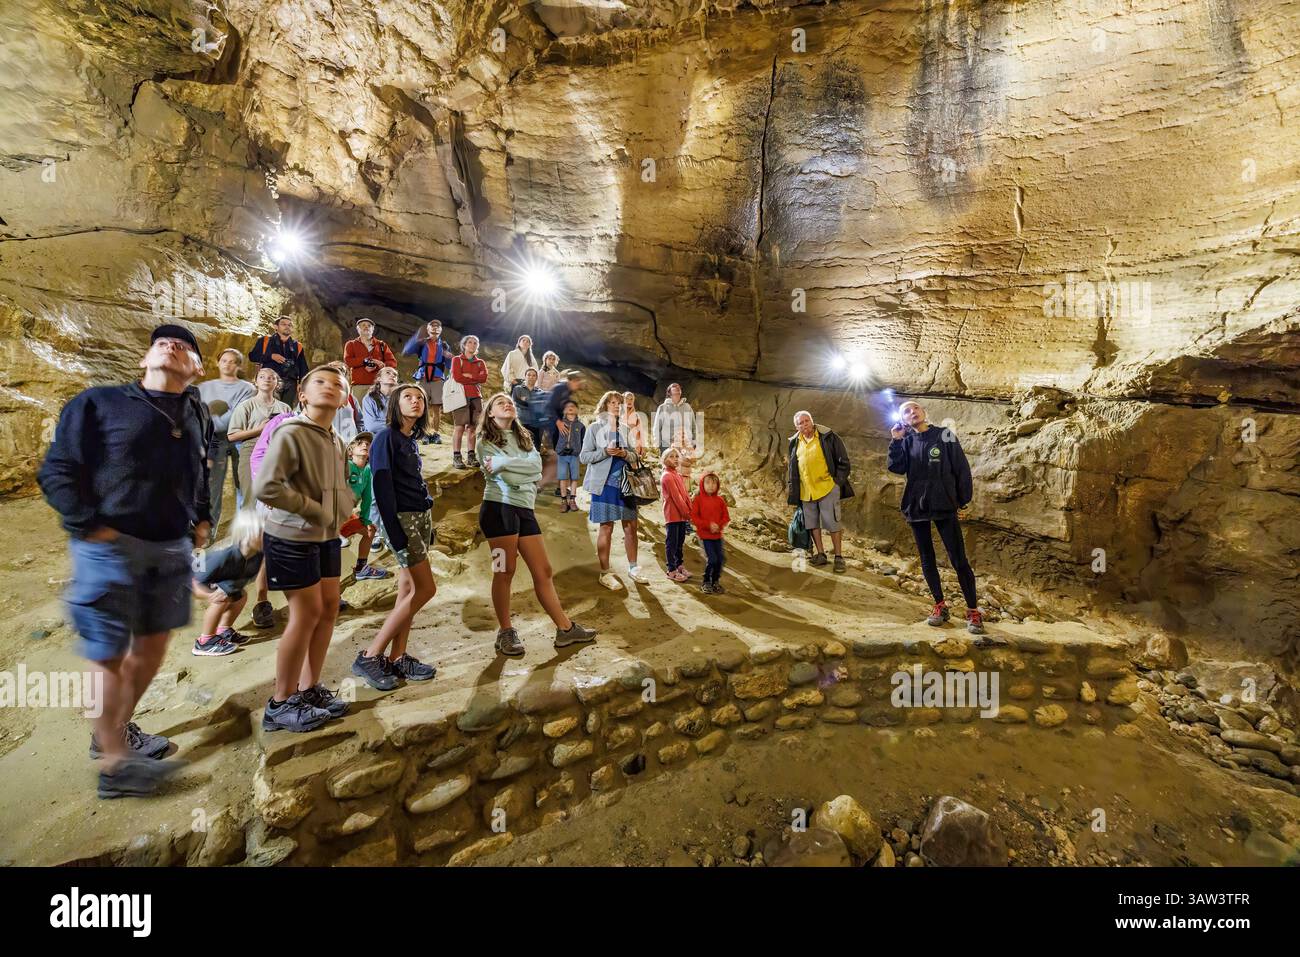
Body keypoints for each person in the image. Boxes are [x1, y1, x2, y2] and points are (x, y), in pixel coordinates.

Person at [37, 323, 212, 798]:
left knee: (152, 650)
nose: (172, 345)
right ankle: (116, 766)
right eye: (162, 342)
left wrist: (202, 519)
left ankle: (113, 731)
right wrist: (87, 524)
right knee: (109, 652)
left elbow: (201, 469)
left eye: (184, 346)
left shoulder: (196, 411)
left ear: (197, 369)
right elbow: (57, 469)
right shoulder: (98, 403)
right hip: (111, 543)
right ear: (143, 360)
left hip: (171, 546)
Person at [253, 364, 355, 732]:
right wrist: (316, 511)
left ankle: (309, 687)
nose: (330, 387)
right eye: (321, 383)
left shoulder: (336, 440)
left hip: (324, 536)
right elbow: (267, 486)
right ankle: (281, 702)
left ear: (345, 398)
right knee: (306, 613)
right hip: (290, 536)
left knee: (328, 608)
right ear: (303, 394)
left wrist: (344, 511)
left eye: (337, 385)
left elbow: (338, 486)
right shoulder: (289, 432)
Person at [477, 392, 597, 657]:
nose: (507, 404)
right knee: (504, 571)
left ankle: (565, 630)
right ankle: (505, 632)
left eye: (509, 402)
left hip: (524, 509)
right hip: (498, 509)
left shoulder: (524, 438)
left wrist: (505, 462)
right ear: (490, 413)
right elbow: (498, 472)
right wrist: (516, 467)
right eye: (500, 403)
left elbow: (534, 471)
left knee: (543, 570)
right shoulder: (484, 441)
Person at [353, 385, 438, 689]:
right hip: (402, 520)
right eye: (408, 397)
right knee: (426, 589)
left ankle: (398, 657)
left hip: (418, 516)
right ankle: (371, 655)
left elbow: (412, 481)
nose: (416, 401)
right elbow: (382, 485)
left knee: (408, 590)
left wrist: (428, 515)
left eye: (420, 398)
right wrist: (394, 529)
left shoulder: (409, 439)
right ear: (394, 403)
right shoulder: (386, 437)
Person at [887, 401, 984, 635]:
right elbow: (896, 467)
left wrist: (963, 500)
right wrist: (896, 441)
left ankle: (973, 610)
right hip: (917, 505)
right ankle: (940, 605)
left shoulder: (945, 434)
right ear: (904, 419)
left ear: (924, 412)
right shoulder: (907, 441)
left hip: (943, 504)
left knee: (958, 559)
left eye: (915, 408)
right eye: (906, 412)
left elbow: (961, 468)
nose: (912, 412)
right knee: (927, 559)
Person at [580, 390, 646, 589]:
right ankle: (604, 572)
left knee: (631, 527)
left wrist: (625, 453)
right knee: (606, 528)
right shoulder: (594, 428)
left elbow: (636, 457)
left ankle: (633, 568)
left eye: (619, 403)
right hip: (604, 486)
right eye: (612, 403)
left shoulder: (625, 429)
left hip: (625, 486)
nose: (617, 406)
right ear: (604, 406)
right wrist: (605, 452)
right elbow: (584, 457)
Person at [787, 410, 854, 573]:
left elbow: (843, 461)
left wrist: (836, 482)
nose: (804, 425)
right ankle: (821, 554)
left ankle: (838, 557)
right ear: (796, 427)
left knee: (833, 523)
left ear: (812, 421)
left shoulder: (828, 436)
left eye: (806, 421)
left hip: (827, 487)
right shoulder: (795, 442)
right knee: (812, 524)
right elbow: (792, 467)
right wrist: (793, 489)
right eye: (800, 423)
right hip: (806, 490)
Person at [192, 510, 264, 656]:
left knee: (241, 595)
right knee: (222, 596)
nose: (265, 536)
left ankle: (223, 630)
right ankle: (205, 641)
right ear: (247, 535)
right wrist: (209, 595)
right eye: (261, 532)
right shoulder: (224, 556)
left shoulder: (257, 556)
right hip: (194, 579)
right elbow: (193, 581)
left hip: (216, 581)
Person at [198, 349, 254, 532]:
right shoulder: (204, 388)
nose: (228, 364)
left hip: (240, 438)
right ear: (218, 363)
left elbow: (237, 416)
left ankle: (244, 529)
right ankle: (209, 530)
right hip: (214, 441)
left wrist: (213, 414)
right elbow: (198, 414)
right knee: (212, 485)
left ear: (238, 365)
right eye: (224, 360)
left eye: (232, 361)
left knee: (244, 484)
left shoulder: (248, 389)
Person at [227, 367, 289, 518]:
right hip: (251, 450)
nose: (267, 379)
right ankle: (246, 539)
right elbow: (232, 435)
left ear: (277, 382)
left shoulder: (284, 407)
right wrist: (261, 429)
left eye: (272, 377)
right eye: (262, 377)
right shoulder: (246, 406)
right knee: (251, 497)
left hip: (278, 452)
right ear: (255, 382)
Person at [341, 432, 389, 581]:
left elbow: (367, 498)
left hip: (346, 517)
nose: (365, 445)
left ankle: (362, 568)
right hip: (329, 519)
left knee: (370, 530)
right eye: (360, 443)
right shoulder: (346, 466)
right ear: (350, 450)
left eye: (368, 444)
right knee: (329, 548)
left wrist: (365, 520)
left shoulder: (367, 471)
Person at [403, 318, 452, 445]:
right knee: (422, 407)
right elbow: (406, 351)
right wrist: (416, 337)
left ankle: (435, 434)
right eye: (432, 326)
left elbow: (449, 364)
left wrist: (449, 357)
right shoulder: (422, 343)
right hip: (423, 376)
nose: (435, 328)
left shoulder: (444, 345)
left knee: (436, 409)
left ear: (441, 330)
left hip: (437, 378)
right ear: (428, 329)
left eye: (438, 326)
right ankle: (423, 433)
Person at [248, 316, 309, 405]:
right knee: (268, 408)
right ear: (276, 327)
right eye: (283, 324)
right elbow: (253, 356)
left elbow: (303, 367)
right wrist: (271, 356)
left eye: (289, 325)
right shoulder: (265, 340)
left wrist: (302, 385)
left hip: (290, 384)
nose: (287, 326)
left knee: (286, 412)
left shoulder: (297, 346)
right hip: (269, 381)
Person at [448, 334, 488, 469]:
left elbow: (484, 379)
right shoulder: (456, 360)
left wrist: (470, 376)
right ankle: (456, 456)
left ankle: (471, 456)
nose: (473, 345)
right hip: (460, 396)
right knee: (459, 427)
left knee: (472, 427)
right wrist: (474, 378)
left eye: (475, 343)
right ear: (464, 345)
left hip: (476, 397)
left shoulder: (480, 362)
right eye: (470, 342)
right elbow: (458, 377)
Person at [691, 471, 730, 593]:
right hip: (705, 535)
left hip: (717, 536)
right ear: (702, 484)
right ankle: (706, 581)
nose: (711, 485)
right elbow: (694, 517)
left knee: (720, 559)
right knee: (712, 559)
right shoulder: (698, 500)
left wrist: (719, 525)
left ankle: (715, 581)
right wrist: (708, 525)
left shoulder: (720, 500)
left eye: (714, 483)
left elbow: (726, 516)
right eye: (708, 482)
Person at [343, 317, 397, 401]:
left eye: (369, 325)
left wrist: (383, 365)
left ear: (373, 329)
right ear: (358, 329)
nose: (366, 327)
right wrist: (364, 361)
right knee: (359, 412)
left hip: (378, 386)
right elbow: (348, 361)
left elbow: (393, 362)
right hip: (359, 387)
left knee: (379, 412)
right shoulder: (351, 344)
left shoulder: (381, 345)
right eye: (363, 325)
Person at [660, 447, 693, 581]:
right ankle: (671, 570)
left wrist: (690, 510)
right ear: (664, 460)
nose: (675, 459)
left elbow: (685, 495)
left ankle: (679, 565)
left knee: (680, 542)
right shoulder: (667, 476)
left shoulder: (677, 475)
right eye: (671, 457)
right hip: (673, 514)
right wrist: (687, 513)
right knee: (672, 542)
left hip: (681, 515)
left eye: (676, 456)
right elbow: (676, 498)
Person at [554, 400, 585, 513]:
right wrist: (557, 449)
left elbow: (583, 440)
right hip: (562, 454)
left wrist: (579, 451)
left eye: (573, 406)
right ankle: (563, 501)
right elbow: (555, 436)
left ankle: (572, 500)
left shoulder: (580, 426)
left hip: (574, 455)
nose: (570, 408)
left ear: (577, 410)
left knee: (574, 477)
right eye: (567, 406)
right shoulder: (560, 423)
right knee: (562, 477)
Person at [544, 369, 584, 451]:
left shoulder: (569, 389)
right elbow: (549, 407)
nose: (579, 384)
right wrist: (558, 422)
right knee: (555, 439)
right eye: (577, 381)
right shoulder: (559, 388)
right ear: (571, 381)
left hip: (558, 416)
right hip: (551, 418)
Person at [652, 382, 696, 454]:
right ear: (669, 394)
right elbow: (656, 428)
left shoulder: (687, 407)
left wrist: (694, 442)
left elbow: (693, 426)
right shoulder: (662, 408)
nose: (677, 394)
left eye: (678, 392)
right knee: (670, 465)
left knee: (685, 464)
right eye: (675, 393)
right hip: (667, 445)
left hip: (686, 445)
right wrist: (658, 444)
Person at [511, 368, 546, 451]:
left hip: (536, 423)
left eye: (534, 375)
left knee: (536, 448)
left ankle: (535, 463)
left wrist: (525, 402)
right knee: (520, 447)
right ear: (525, 377)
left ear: (536, 378)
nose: (531, 377)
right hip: (521, 422)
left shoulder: (541, 392)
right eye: (529, 375)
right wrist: (533, 404)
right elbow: (517, 403)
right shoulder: (517, 389)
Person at [361, 366, 398, 434]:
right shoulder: (369, 399)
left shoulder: (400, 398)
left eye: (395, 374)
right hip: (377, 438)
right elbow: (371, 426)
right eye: (388, 373)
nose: (392, 375)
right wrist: (397, 424)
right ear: (379, 379)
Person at [622, 391, 648, 457]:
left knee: (634, 464)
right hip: (622, 443)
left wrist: (643, 447)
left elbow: (641, 431)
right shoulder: (619, 413)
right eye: (627, 398)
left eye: (631, 399)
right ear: (623, 400)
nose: (629, 401)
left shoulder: (636, 415)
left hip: (635, 443)